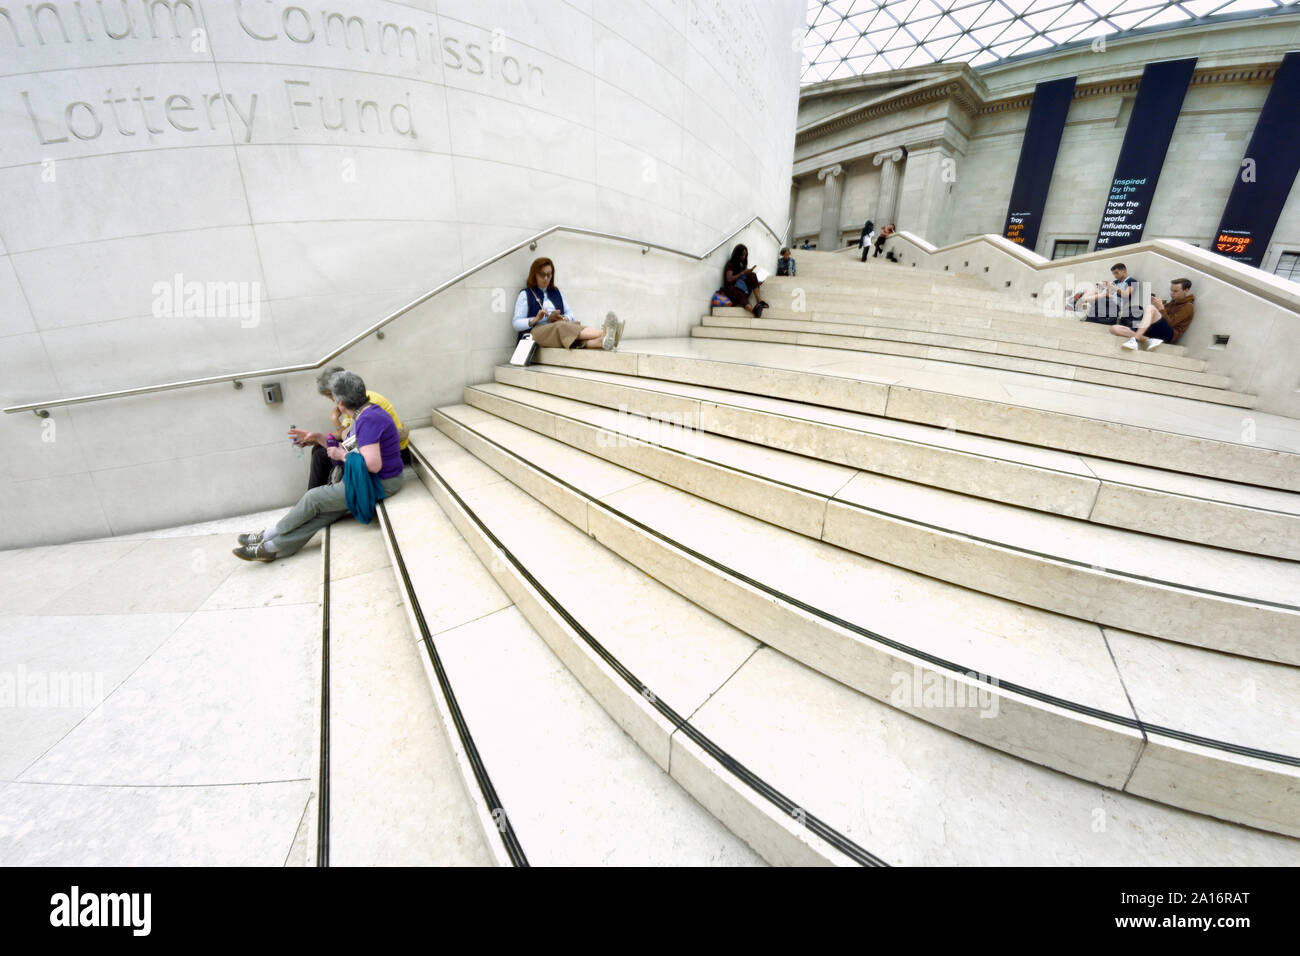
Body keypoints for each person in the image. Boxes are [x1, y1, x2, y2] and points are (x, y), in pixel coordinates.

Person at [235, 371, 404, 562]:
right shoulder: (365, 413)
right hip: (371, 479)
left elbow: (372, 465)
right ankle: (273, 548)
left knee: (313, 498)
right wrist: (319, 439)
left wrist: (342, 455)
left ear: (340, 403)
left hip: (382, 482)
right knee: (325, 513)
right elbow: (354, 449)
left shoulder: (369, 419)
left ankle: (268, 535)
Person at [290, 367, 411, 489]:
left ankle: (320, 494)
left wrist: (334, 422)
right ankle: (321, 493)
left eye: (330, 395)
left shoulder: (364, 404)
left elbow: (348, 436)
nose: (333, 400)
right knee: (319, 449)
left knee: (321, 455)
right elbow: (348, 434)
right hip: (371, 447)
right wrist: (317, 438)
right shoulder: (354, 400)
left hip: (390, 453)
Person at [513, 257, 620, 350]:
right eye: (542, 275)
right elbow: (516, 323)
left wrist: (563, 318)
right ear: (534, 275)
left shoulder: (556, 292)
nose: (546, 278)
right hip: (535, 332)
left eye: (549, 275)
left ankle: (601, 341)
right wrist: (535, 319)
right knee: (561, 327)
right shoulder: (525, 294)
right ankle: (606, 333)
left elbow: (571, 314)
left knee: (570, 325)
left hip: (557, 329)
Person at [1111, 278, 1195, 351]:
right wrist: (1157, 305)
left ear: (1186, 290)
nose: (1172, 293)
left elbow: (1171, 324)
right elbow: (1159, 318)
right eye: (1171, 290)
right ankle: (1148, 340)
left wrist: (1161, 308)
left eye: (1175, 291)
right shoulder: (1171, 303)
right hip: (1155, 330)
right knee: (1115, 329)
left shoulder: (1188, 306)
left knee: (1151, 308)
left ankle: (1135, 340)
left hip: (1170, 334)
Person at [1069, 262, 1144, 326]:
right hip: (1109, 299)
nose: (1115, 275)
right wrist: (1103, 286)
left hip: (1116, 303)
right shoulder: (1117, 281)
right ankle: (1078, 306)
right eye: (1114, 274)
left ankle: (1078, 306)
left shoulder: (1132, 281)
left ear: (1124, 270)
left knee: (1091, 297)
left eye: (1116, 273)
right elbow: (1110, 291)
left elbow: (1126, 294)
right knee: (1090, 292)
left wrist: (1111, 286)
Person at [719, 244, 769, 317]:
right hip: (732, 291)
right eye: (742, 255)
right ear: (737, 254)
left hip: (742, 287)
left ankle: (759, 301)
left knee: (752, 275)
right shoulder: (731, 264)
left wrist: (757, 283)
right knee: (739, 294)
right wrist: (743, 273)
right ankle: (754, 311)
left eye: (745, 255)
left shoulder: (741, 264)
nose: (744, 257)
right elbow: (729, 279)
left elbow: (744, 278)